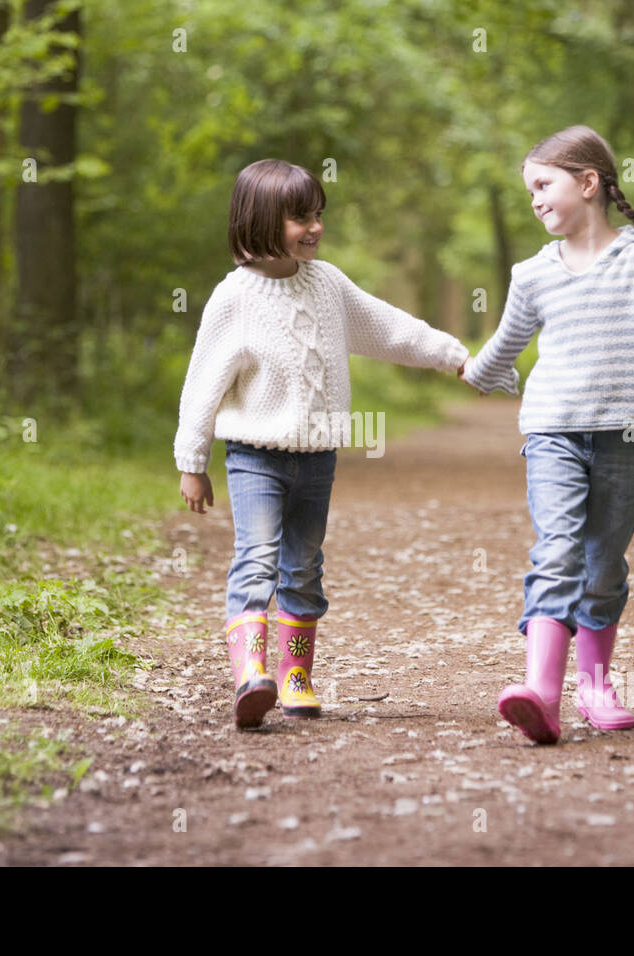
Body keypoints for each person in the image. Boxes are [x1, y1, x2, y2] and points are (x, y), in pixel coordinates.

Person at [176, 158, 470, 730]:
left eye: (317, 215)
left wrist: (452, 354)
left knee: (304, 567)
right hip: (254, 458)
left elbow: (386, 327)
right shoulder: (233, 298)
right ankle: (250, 676)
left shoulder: (328, 284)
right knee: (257, 559)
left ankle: (295, 676)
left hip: (317, 460)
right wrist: (192, 461)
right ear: (258, 221)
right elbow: (202, 383)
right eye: (298, 218)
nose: (314, 227)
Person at [460, 125, 634, 744]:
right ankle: (541, 692)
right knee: (558, 550)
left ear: (589, 183)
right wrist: (466, 368)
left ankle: (594, 685)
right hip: (552, 435)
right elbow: (505, 348)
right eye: (529, 192)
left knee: (602, 565)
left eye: (544, 185)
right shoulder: (532, 273)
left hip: (625, 442)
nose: (536, 199)